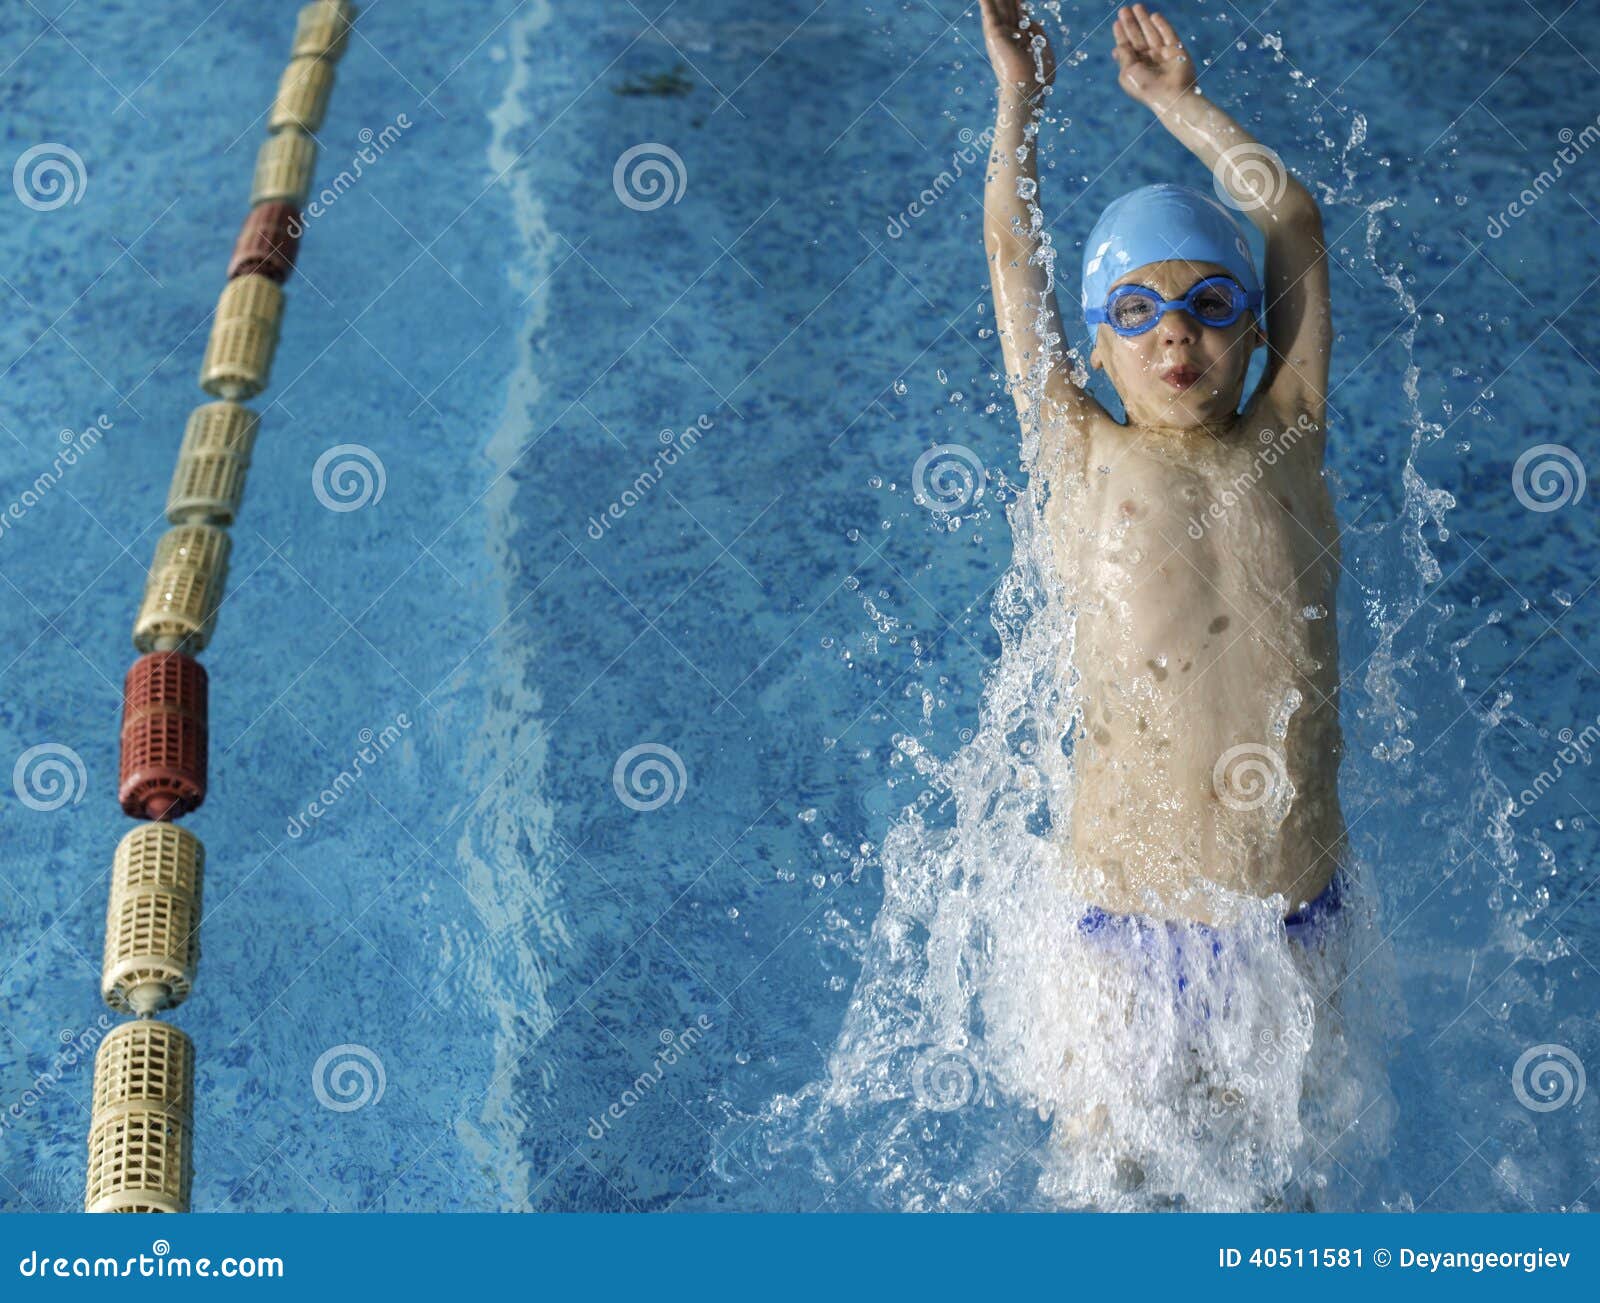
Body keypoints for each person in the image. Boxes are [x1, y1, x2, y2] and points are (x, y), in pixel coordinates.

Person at [976, 1, 1345, 938]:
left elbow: (1292, 217)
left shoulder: (1288, 433)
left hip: (1293, 924)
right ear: (1096, 348)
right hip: (1125, 926)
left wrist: (1180, 104)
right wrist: (1019, 100)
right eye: (1136, 310)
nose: (1175, 330)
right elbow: (1013, 255)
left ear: (1258, 330)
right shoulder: (1080, 450)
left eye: (1211, 302)